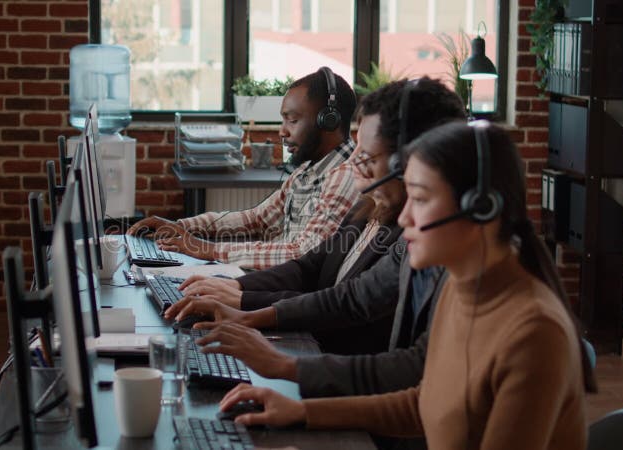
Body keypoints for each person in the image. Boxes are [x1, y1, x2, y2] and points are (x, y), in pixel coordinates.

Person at [215, 121, 597, 450]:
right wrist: (302, 412)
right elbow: (421, 405)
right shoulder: (461, 290)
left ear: (481, 208)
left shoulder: (534, 333)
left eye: (421, 199)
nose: (406, 217)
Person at [171, 78, 466, 356]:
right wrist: (238, 292)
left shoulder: (412, 236)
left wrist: (247, 309)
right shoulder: (368, 207)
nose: (355, 166)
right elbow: (310, 264)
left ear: (404, 165)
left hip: (333, 354)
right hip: (320, 348)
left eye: (369, 158)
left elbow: (349, 302)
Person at [127, 67, 359, 269]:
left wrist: (209, 250)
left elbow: (301, 253)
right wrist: (180, 227)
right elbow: (257, 219)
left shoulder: (345, 176)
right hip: (274, 283)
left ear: (329, 121)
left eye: (292, 120)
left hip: (290, 298)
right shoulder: (307, 171)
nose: (282, 131)